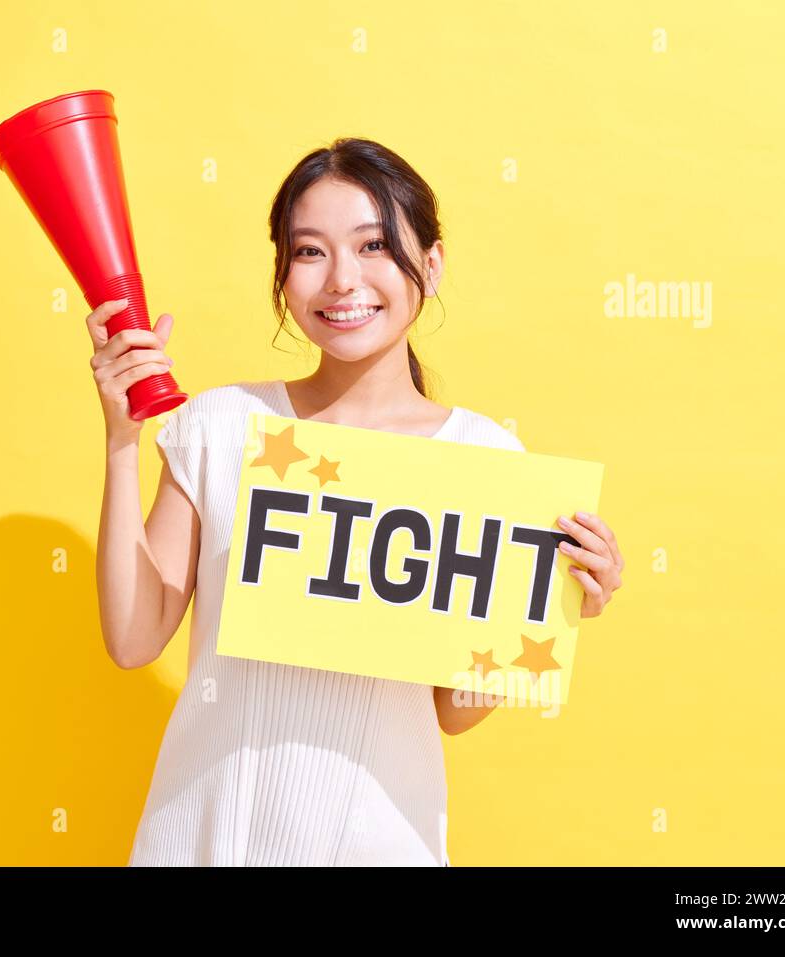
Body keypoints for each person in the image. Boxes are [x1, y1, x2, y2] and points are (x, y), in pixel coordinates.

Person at [88, 138, 625, 866]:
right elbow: (133, 636)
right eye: (309, 252)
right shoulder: (221, 425)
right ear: (282, 279)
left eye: (374, 245)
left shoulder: (485, 462)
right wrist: (123, 439)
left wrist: (551, 604)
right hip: (204, 840)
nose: (343, 279)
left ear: (430, 267)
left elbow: (454, 711)